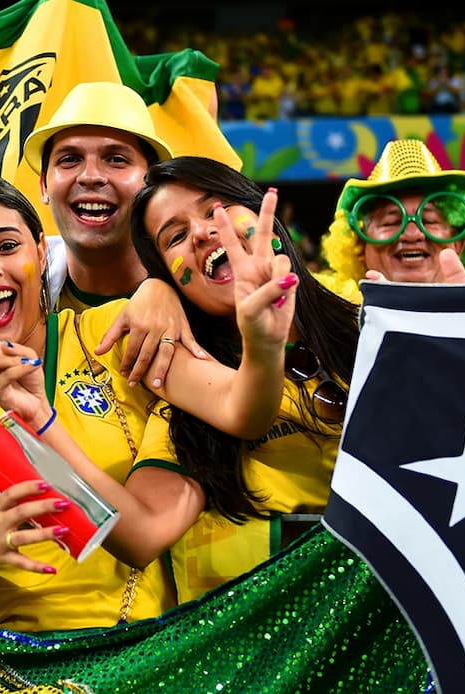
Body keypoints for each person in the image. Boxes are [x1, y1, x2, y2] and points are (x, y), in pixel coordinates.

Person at [0, 170, 298, 631]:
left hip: (147, 653)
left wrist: (262, 345)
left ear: (41, 254)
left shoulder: (114, 332)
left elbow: (239, 411)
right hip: (9, 660)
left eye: (7, 246)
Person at [128, 155, 361, 601]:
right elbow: (138, 535)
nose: (201, 231)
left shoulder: (368, 328)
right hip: (261, 645)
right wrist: (45, 430)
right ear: (172, 283)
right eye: (175, 236)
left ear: (263, 216)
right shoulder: (183, 378)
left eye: (215, 206)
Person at [23, 81, 207, 378]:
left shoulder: (202, 284)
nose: (91, 176)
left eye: (116, 159)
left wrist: (162, 286)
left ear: (151, 186)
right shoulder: (16, 287)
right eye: (69, 159)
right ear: (43, 185)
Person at [318, 138, 465, 303]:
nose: (413, 234)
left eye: (429, 221)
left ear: (458, 245)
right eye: (391, 222)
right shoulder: (327, 319)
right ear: (359, 246)